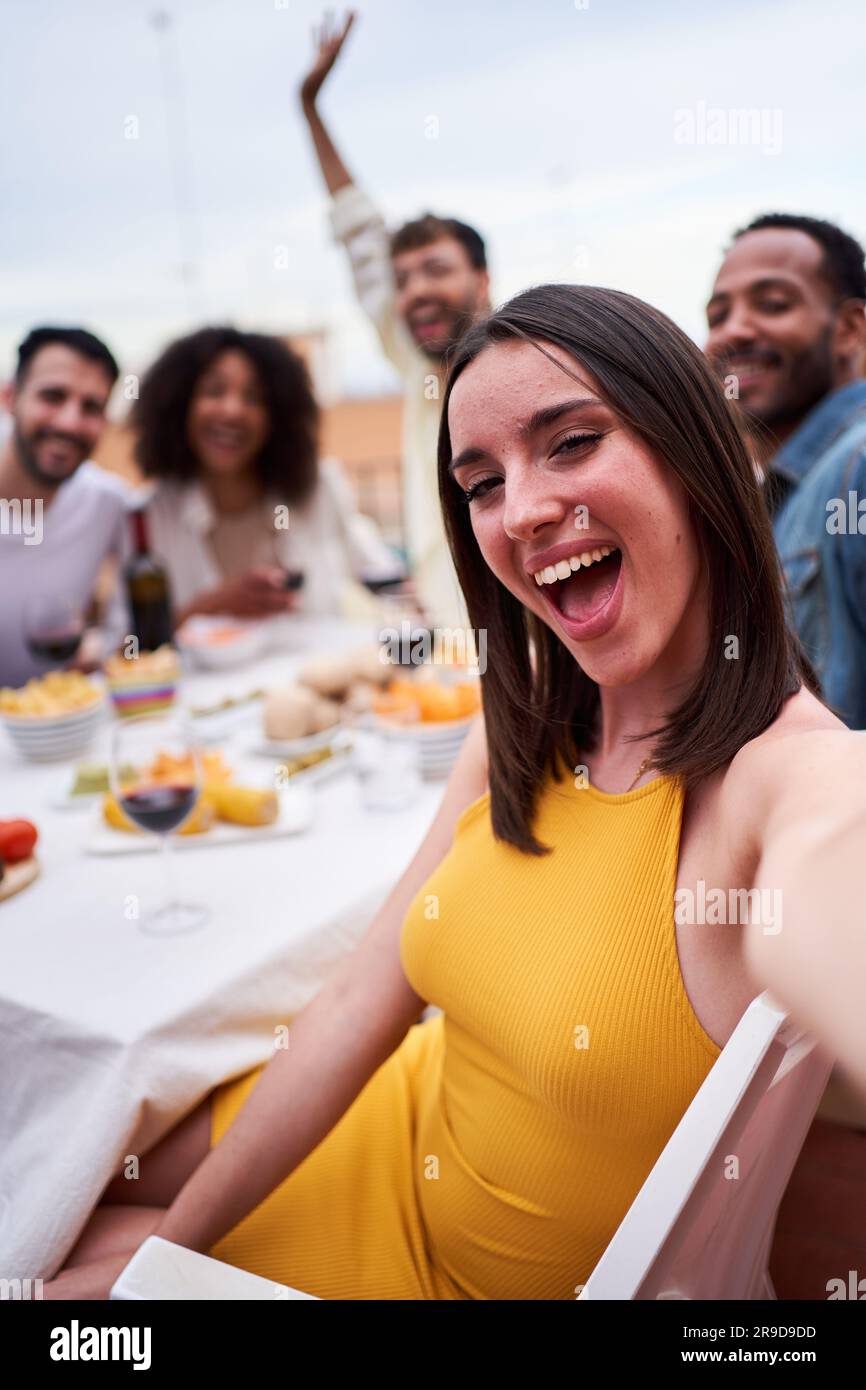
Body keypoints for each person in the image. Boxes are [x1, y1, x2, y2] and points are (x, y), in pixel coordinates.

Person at [44, 285, 866, 1301]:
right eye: (479, 482)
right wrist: (177, 1244)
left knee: (60, 1261)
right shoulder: (517, 730)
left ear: (691, 453)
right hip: (394, 1118)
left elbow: (842, 851)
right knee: (60, 1189)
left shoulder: (775, 773)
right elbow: (359, 1001)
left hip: (438, 1273)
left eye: (569, 442)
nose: (518, 509)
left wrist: (159, 1272)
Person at [299, 10, 491, 631]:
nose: (415, 292)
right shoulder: (419, 369)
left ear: (482, 281)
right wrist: (309, 108)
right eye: (403, 280)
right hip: (451, 654)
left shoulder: (531, 366)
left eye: (436, 269)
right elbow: (359, 235)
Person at [705, 213, 866, 729]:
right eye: (717, 315)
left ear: (849, 330)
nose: (734, 331)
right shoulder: (779, 494)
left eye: (773, 304)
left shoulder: (857, 469)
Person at [131, 326, 403, 627]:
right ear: (179, 406)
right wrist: (213, 605)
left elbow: (378, 571)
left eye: (254, 397)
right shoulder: (151, 515)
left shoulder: (317, 487)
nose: (232, 410)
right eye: (214, 391)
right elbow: (128, 647)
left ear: (277, 416)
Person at [0, 326, 131, 686]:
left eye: (91, 407)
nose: (69, 422)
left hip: (63, 723)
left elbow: (128, 624)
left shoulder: (108, 502)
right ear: (10, 397)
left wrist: (101, 649)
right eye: (52, 396)